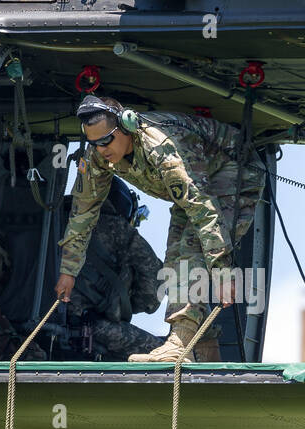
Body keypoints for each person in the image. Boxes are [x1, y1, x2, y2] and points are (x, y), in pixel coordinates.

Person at [55, 95, 265, 362]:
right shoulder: (98, 157)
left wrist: (223, 270)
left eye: (106, 140)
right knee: (175, 256)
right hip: (196, 188)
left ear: (126, 127)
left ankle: (180, 341)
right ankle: (204, 348)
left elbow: (201, 206)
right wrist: (68, 271)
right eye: (93, 143)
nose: (100, 149)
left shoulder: (161, 147)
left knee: (190, 250)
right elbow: (82, 212)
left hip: (233, 172)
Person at [66, 181, 164, 360]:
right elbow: (153, 283)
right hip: (93, 326)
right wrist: (128, 304)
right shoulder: (116, 227)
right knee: (167, 355)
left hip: (42, 323)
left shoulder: (55, 220)